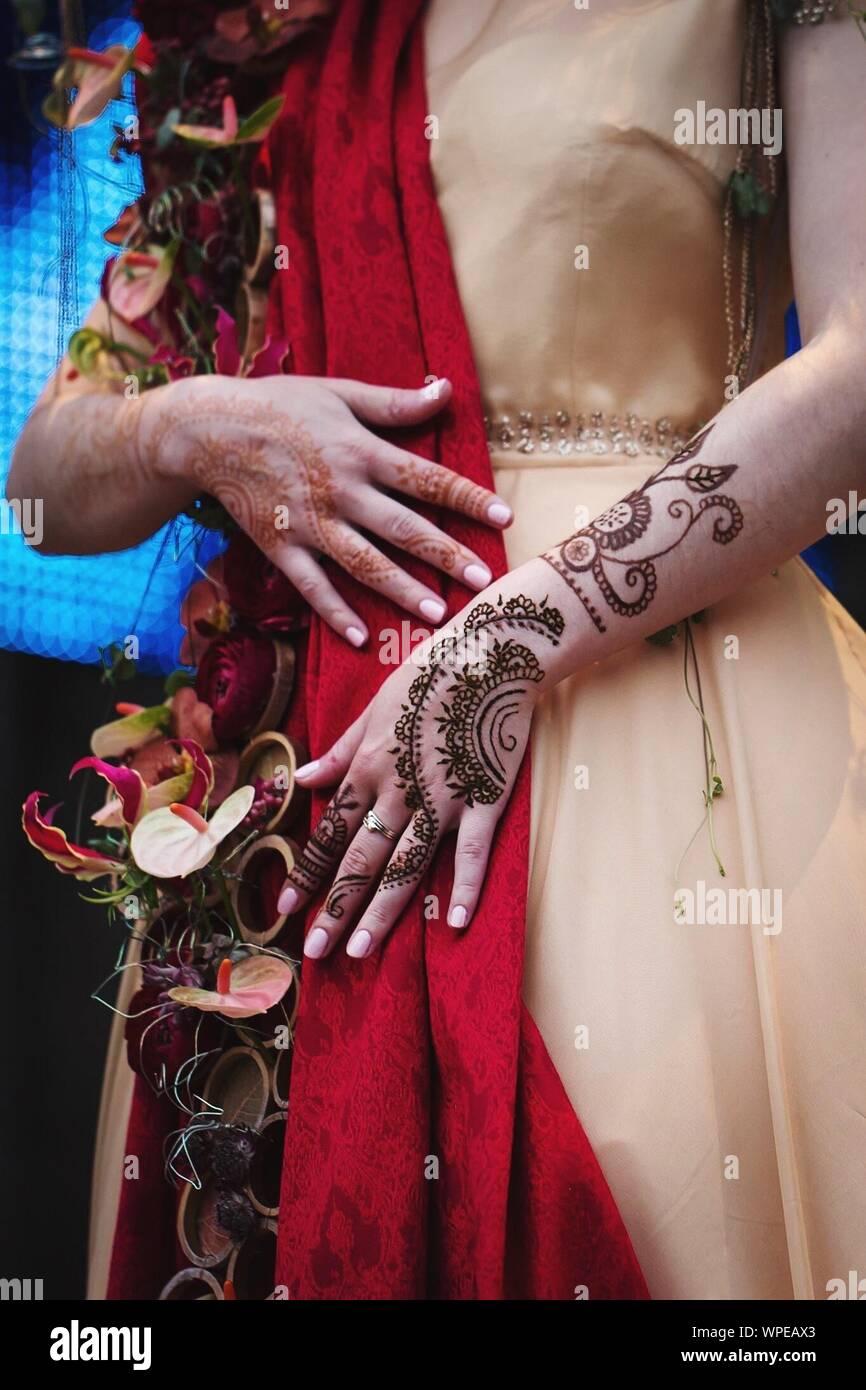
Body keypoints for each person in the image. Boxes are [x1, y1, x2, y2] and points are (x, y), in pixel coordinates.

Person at [10, 0, 866, 1299]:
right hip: (310, 780)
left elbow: (857, 385)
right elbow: (37, 488)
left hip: (658, 721)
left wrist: (513, 640)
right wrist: (190, 428)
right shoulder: (276, 32)